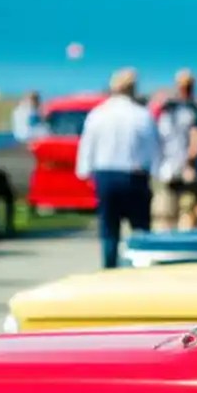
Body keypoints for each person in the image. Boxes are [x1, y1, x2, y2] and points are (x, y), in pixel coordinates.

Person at [75, 68, 160, 268]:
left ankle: (109, 270)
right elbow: (152, 149)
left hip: (106, 175)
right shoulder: (141, 115)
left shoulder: (98, 114)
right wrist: (155, 171)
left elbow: (88, 145)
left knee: (109, 228)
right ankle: (141, 269)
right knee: (140, 228)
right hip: (134, 176)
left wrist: (85, 171)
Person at [152, 70, 197, 231]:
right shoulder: (190, 109)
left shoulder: (167, 108)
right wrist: (191, 163)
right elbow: (196, 139)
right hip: (179, 167)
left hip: (168, 167)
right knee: (184, 213)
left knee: (169, 213)